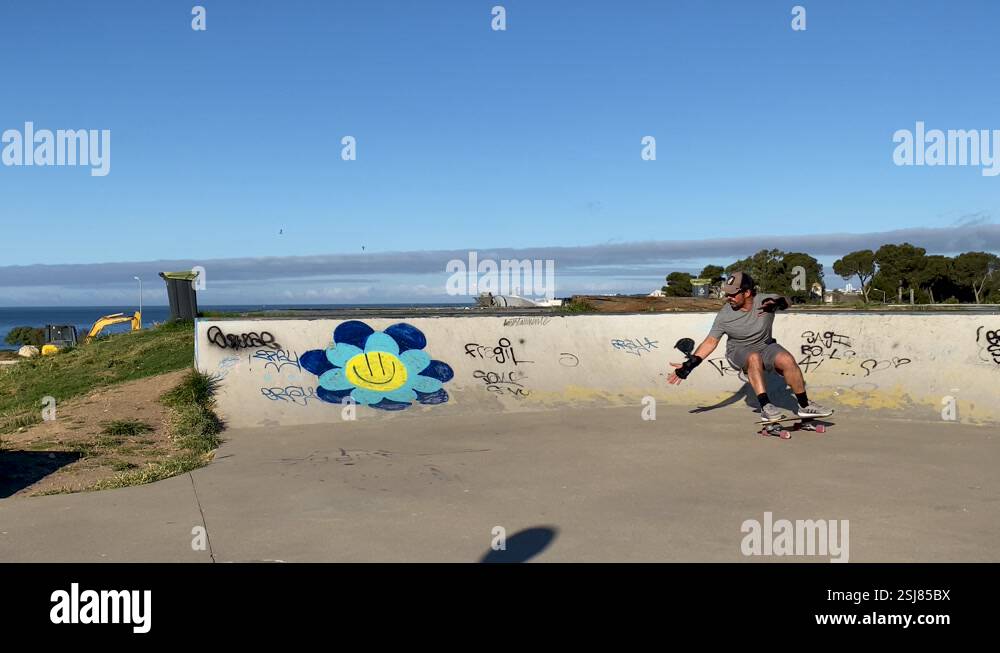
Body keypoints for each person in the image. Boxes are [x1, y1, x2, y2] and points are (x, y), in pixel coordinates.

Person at [667, 271, 833, 422]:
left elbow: (788, 300)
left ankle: (804, 406)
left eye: (732, 294)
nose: (728, 298)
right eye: (727, 294)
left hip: (765, 346)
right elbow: (711, 341)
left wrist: (778, 304)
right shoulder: (725, 315)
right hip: (738, 350)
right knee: (754, 357)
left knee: (787, 359)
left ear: (746, 292)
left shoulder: (765, 301)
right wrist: (690, 365)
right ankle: (766, 406)